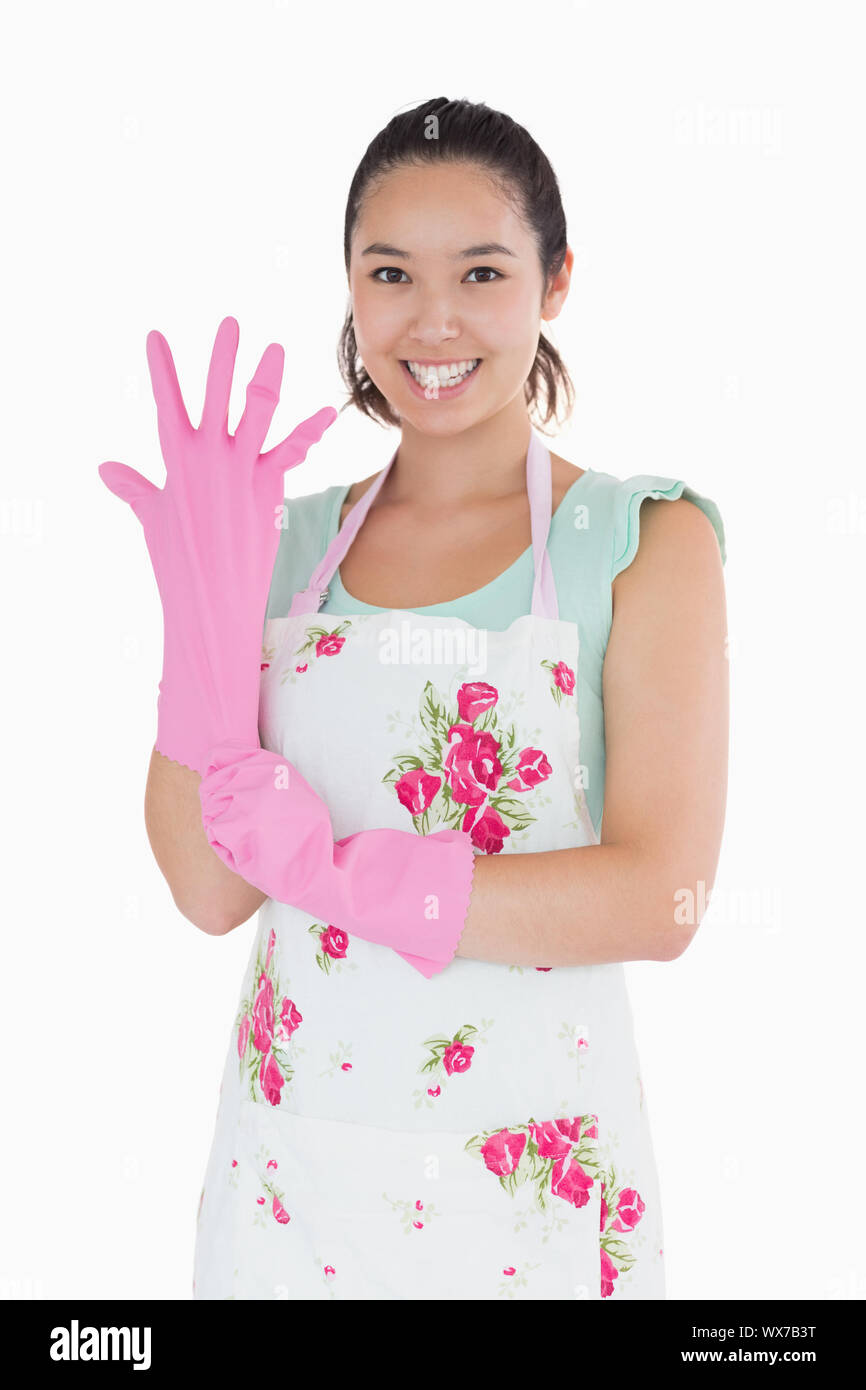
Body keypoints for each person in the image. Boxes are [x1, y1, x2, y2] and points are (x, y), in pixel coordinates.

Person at [103, 96, 728, 1301]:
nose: (431, 321)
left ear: (553, 285)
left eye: (481, 272)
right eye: (389, 273)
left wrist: (342, 877)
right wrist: (201, 616)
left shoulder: (639, 542)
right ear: (348, 285)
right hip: (292, 1192)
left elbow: (662, 897)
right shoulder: (278, 546)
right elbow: (208, 889)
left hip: (531, 1195)